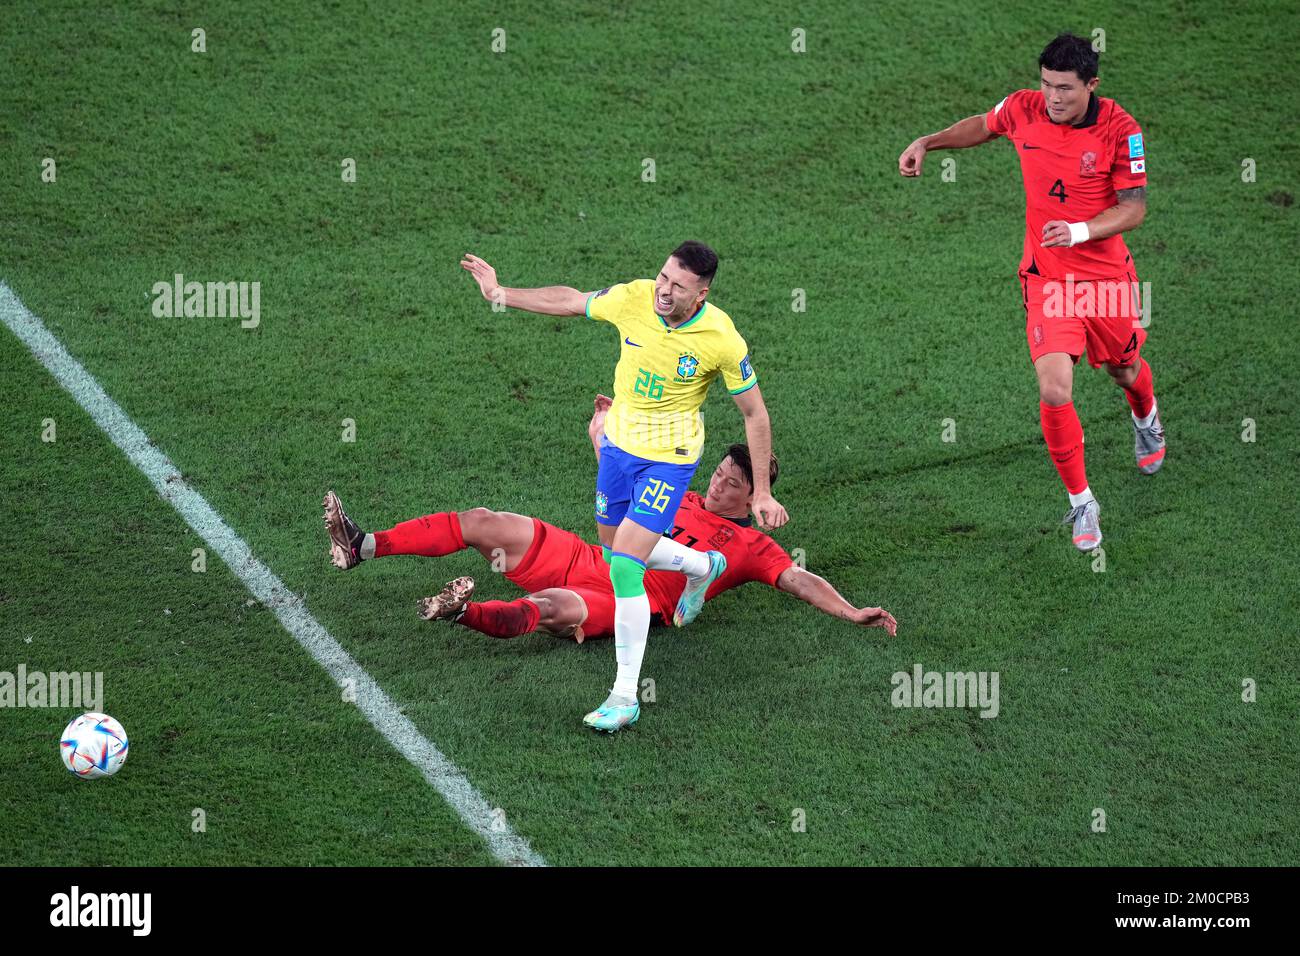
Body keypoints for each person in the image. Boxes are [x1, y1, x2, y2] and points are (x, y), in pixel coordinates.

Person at [458, 241, 787, 730]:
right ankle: (701, 565)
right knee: (614, 554)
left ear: (702, 292)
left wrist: (761, 491)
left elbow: (754, 413)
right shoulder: (635, 298)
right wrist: (500, 293)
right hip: (619, 447)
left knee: (625, 570)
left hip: (669, 460)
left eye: (678, 286)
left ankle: (624, 697)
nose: (664, 290)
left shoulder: (721, 338)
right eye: (663, 277)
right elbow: (571, 300)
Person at [322, 398, 894, 663]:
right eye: (718, 474)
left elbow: (797, 580)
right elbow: (620, 485)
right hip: (591, 555)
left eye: (732, 484)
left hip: (628, 597)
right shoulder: (681, 490)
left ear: (754, 496)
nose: (718, 486)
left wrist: (850, 611)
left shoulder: (752, 546)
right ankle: (362, 544)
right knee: (481, 523)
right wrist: (604, 430)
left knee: (545, 611)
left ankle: (458, 610)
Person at [898, 33, 1164, 551]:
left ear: (1092, 85)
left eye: (1064, 88)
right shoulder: (1024, 109)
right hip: (1046, 275)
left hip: (1107, 278)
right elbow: (983, 124)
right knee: (1054, 387)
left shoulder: (1121, 129)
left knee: (1123, 369)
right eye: (1046, 85)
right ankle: (1082, 502)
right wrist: (927, 142)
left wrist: (1080, 230)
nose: (1053, 98)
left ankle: (1146, 415)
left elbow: (1134, 209)